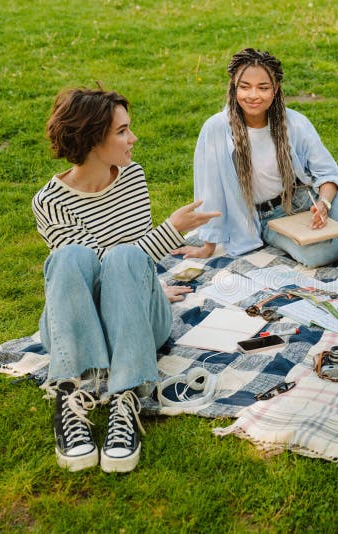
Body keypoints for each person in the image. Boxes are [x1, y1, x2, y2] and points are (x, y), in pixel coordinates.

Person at [33, 87, 220, 472]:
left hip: (138, 322)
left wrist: (149, 289)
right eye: (122, 132)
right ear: (92, 138)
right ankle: (69, 394)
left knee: (122, 256)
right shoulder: (50, 201)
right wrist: (173, 230)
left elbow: (132, 261)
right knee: (68, 258)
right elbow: (96, 271)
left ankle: (126, 396)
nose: (132, 139)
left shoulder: (132, 176)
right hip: (80, 320)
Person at [174, 48, 338, 267]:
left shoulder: (295, 123)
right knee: (324, 254)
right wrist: (208, 246)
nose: (253, 95)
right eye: (244, 86)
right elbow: (210, 189)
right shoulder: (216, 130)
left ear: (276, 89)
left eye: (263, 87)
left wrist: (324, 204)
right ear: (233, 86)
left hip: (310, 196)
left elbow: (327, 172)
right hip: (270, 216)